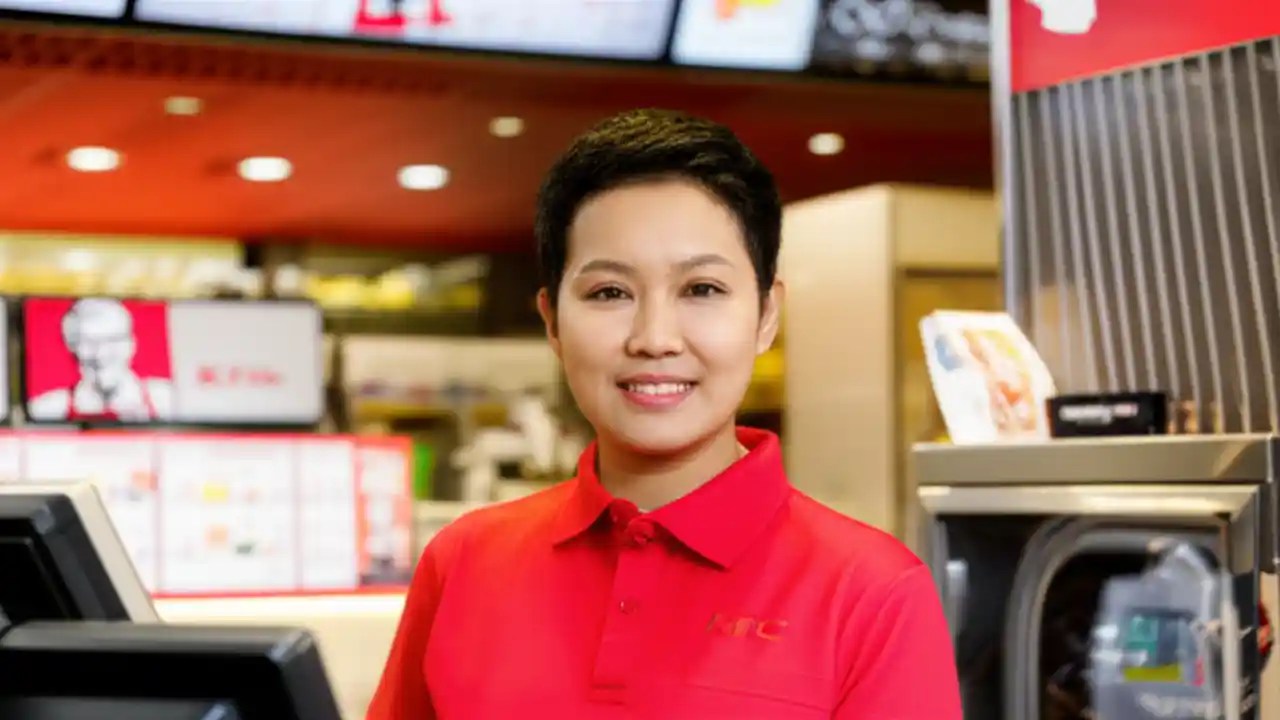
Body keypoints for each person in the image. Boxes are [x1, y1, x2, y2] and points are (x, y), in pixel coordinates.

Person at [367, 109, 963, 718]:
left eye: (701, 290)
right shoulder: (462, 562)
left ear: (765, 315)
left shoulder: (873, 593)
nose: (655, 338)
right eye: (609, 293)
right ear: (551, 321)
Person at [28, 298, 174, 422]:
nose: (101, 354)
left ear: (131, 345)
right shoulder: (45, 410)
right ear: (71, 347)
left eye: (112, 340)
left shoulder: (169, 400)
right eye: (89, 342)